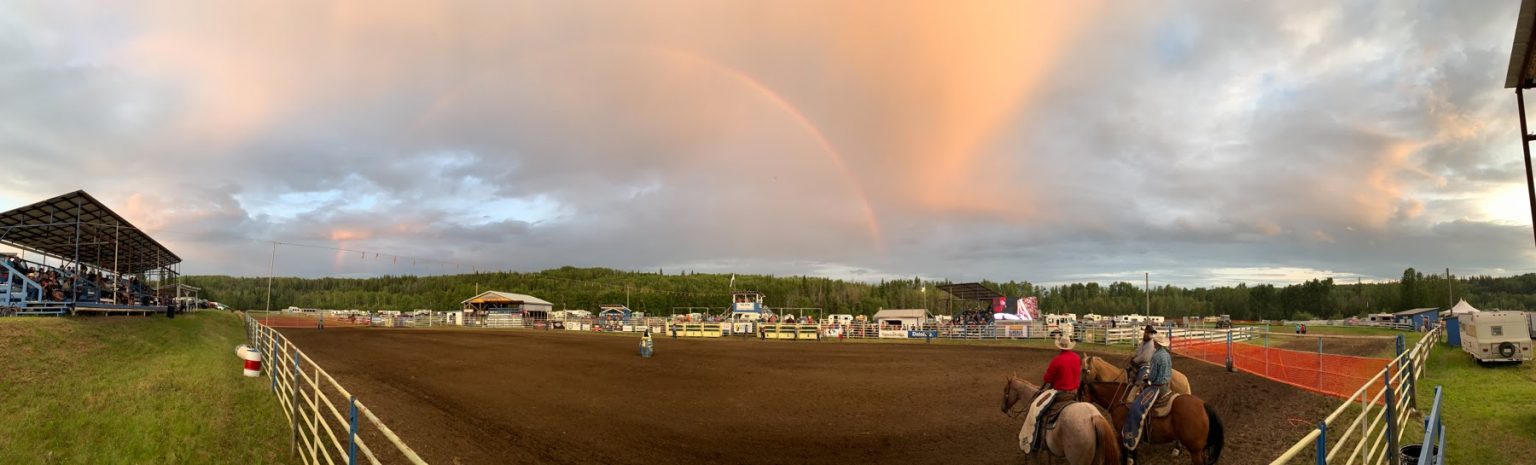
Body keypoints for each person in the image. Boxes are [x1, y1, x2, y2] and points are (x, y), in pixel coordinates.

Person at [1122, 330, 1172, 451]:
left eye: (1155, 342)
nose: (1153, 343)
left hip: (1157, 388)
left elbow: (1153, 376)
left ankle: (1132, 437)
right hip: (1166, 386)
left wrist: (1146, 378)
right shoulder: (1167, 355)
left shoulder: (1156, 356)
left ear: (1158, 344)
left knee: (1136, 407)